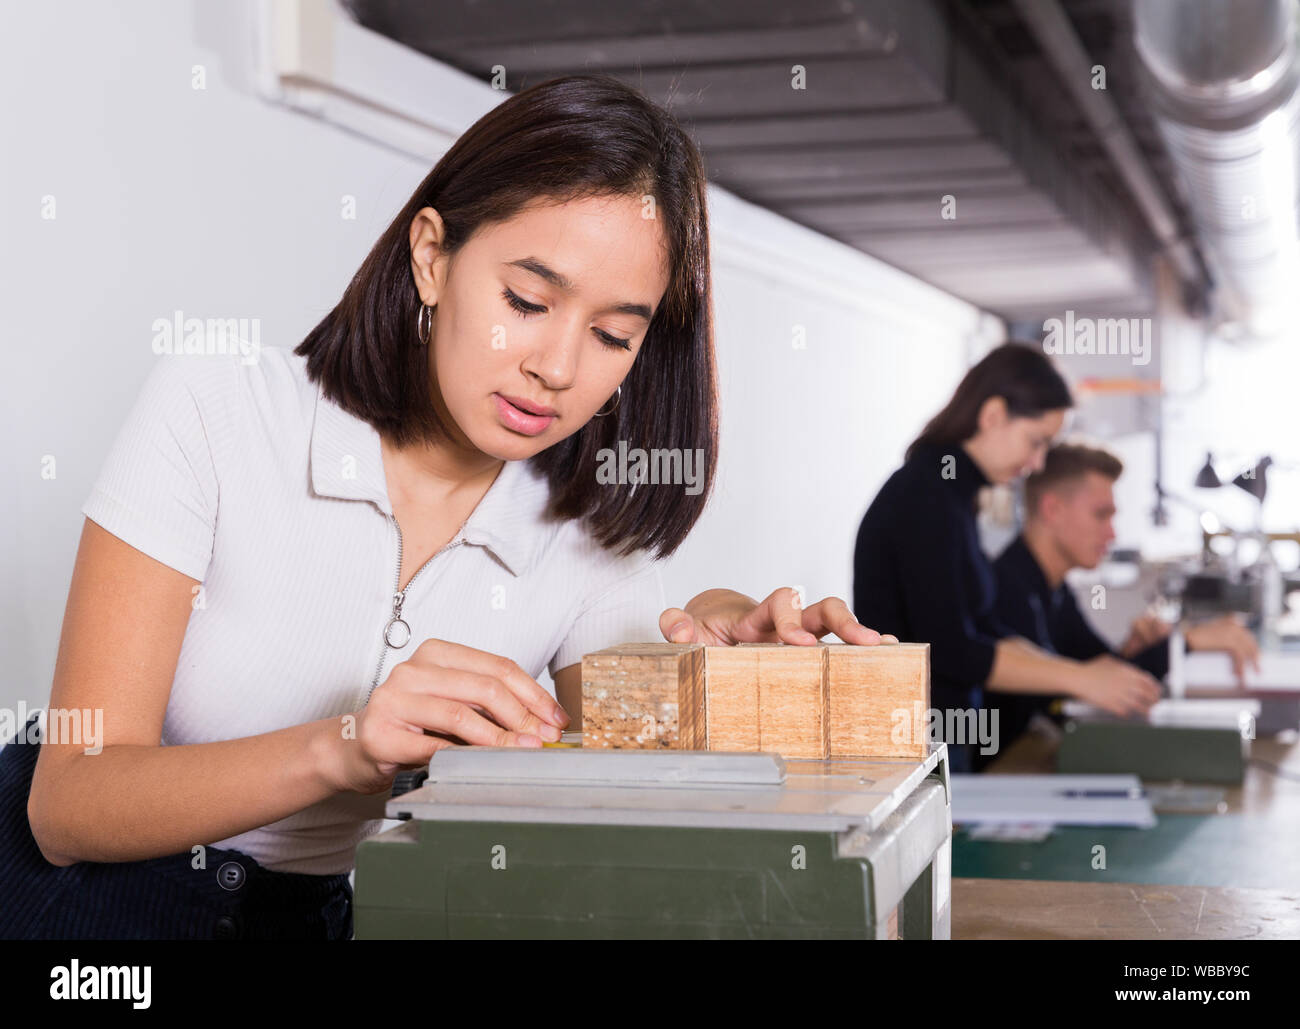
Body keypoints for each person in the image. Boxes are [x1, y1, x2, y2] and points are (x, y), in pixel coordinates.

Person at [2, 75, 892, 941]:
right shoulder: (220, 408)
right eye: (527, 301)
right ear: (432, 256)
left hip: (310, 916)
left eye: (614, 334)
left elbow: (644, 745)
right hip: (71, 907)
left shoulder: (587, 538)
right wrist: (346, 745)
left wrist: (739, 663)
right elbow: (68, 803)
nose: (557, 365)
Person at [853, 343, 1162, 774]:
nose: (1037, 463)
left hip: (944, 739)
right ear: (993, 414)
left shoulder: (954, 496)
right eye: (1035, 442)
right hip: (914, 749)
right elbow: (948, 649)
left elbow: (985, 629)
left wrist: (1082, 670)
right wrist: (1077, 678)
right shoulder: (926, 495)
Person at [989, 442, 1261, 750]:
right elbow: (1061, 697)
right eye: (1101, 515)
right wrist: (1189, 640)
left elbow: (1098, 676)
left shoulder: (1053, 589)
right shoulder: (1007, 590)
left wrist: (1138, 650)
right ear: (1053, 509)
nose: (1112, 534)